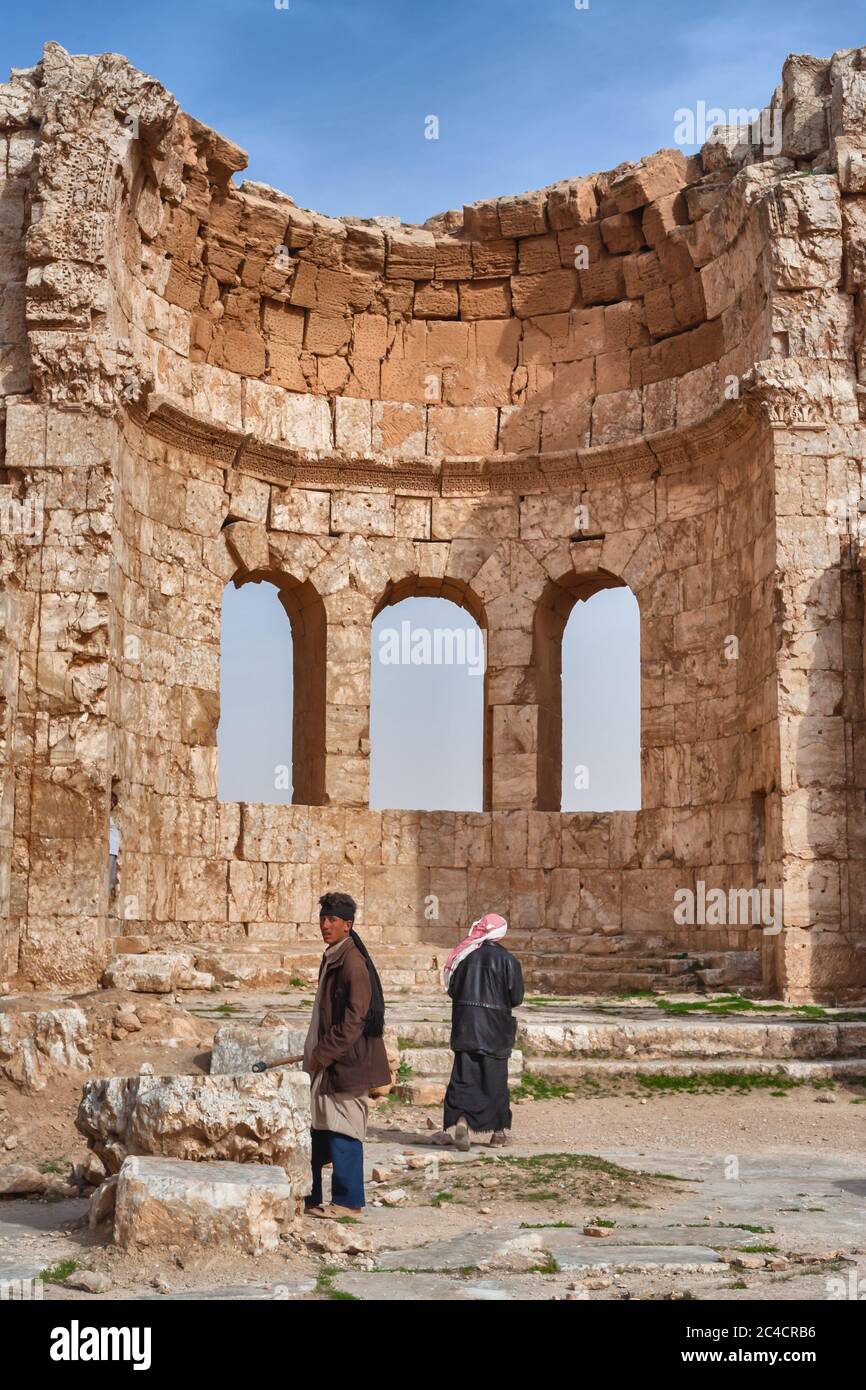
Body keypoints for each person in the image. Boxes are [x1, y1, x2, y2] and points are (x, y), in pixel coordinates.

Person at [303, 891, 390, 1218]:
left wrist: (322, 1054)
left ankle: (349, 1203)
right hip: (331, 1063)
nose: (325, 925)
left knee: (344, 1131)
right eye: (323, 919)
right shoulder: (336, 955)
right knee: (319, 1129)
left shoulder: (352, 963)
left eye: (332, 920)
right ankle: (310, 1197)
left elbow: (354, 1020)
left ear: (347, 925)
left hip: (345, 1064)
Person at [442, 912, 524, 1150]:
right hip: (495, 1030)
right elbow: (516, 997)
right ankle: (498, 1134)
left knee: (464, 1077)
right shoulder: (508, 960)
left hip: (466, 1027)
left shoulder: (464, 957)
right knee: (495, 1080)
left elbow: (452, 989)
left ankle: (462, 1121)